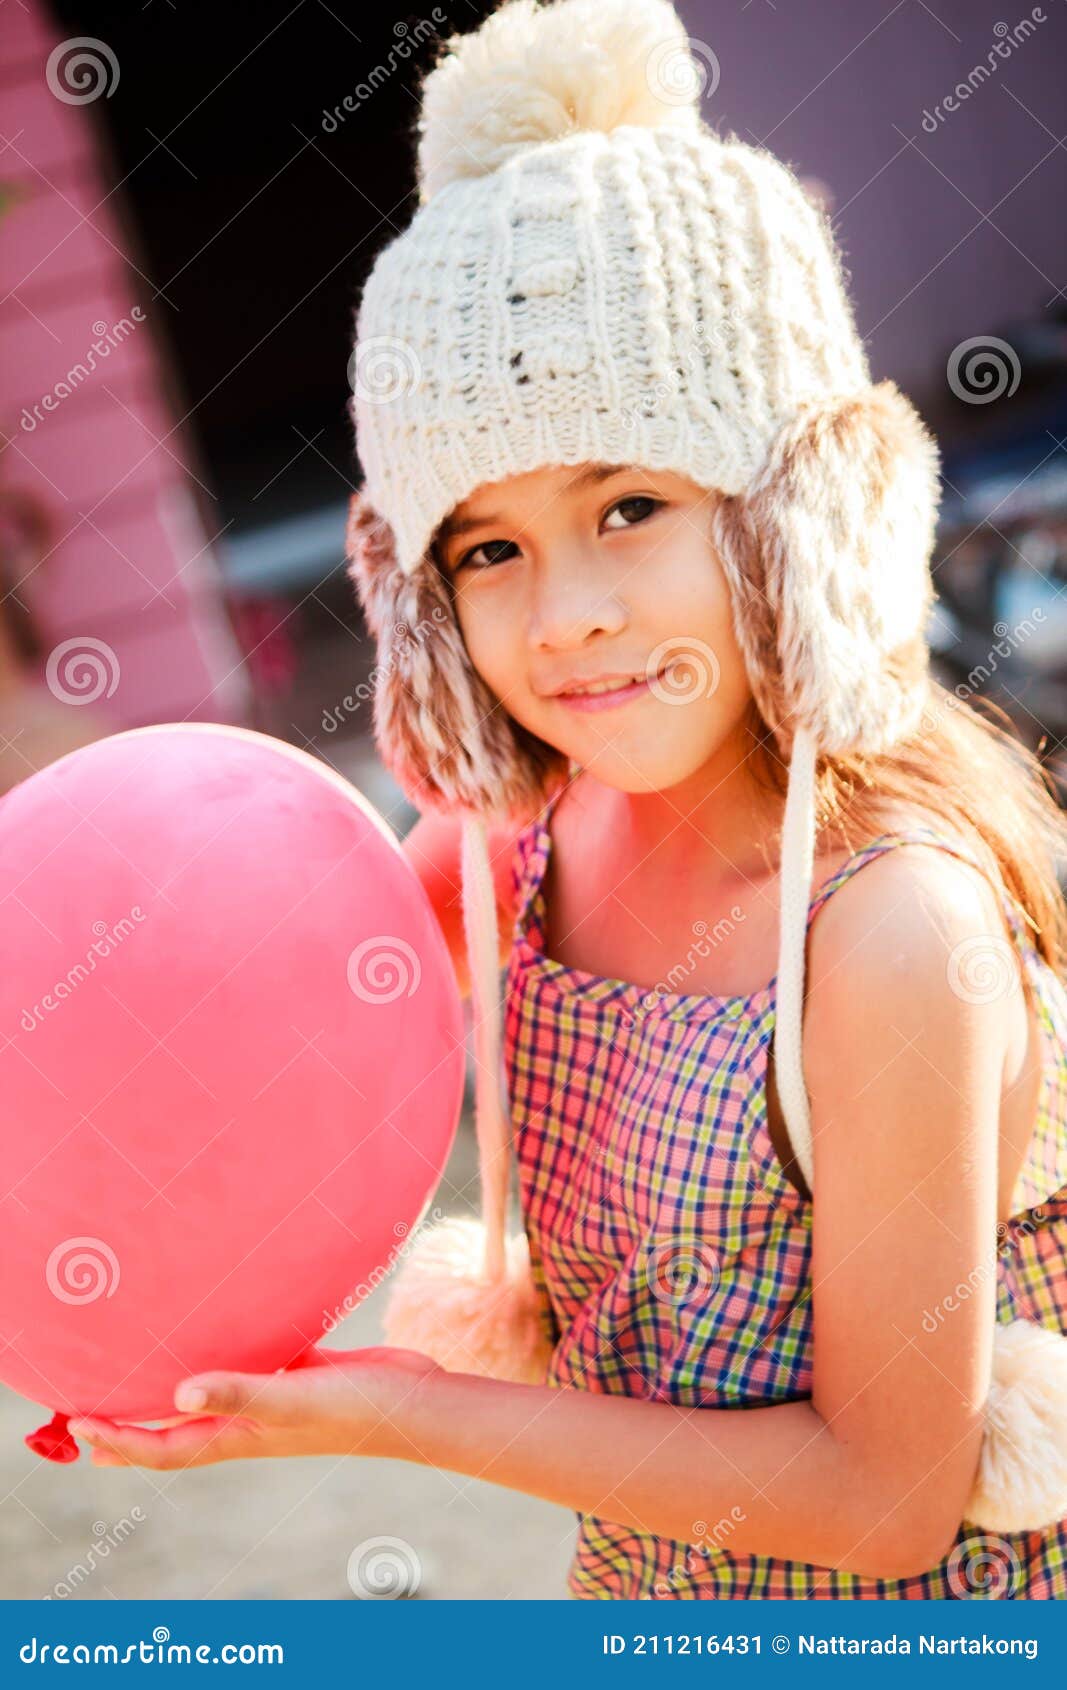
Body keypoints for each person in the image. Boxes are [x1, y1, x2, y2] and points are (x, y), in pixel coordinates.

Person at [70, 0, 1067, 1601]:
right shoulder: (502, 852)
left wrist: (409, 1412)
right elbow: (225, 1073)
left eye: (630, 502)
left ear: (795, 509)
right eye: (489, 546)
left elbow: (883, 1499)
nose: (568, 614)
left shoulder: (887, 934)